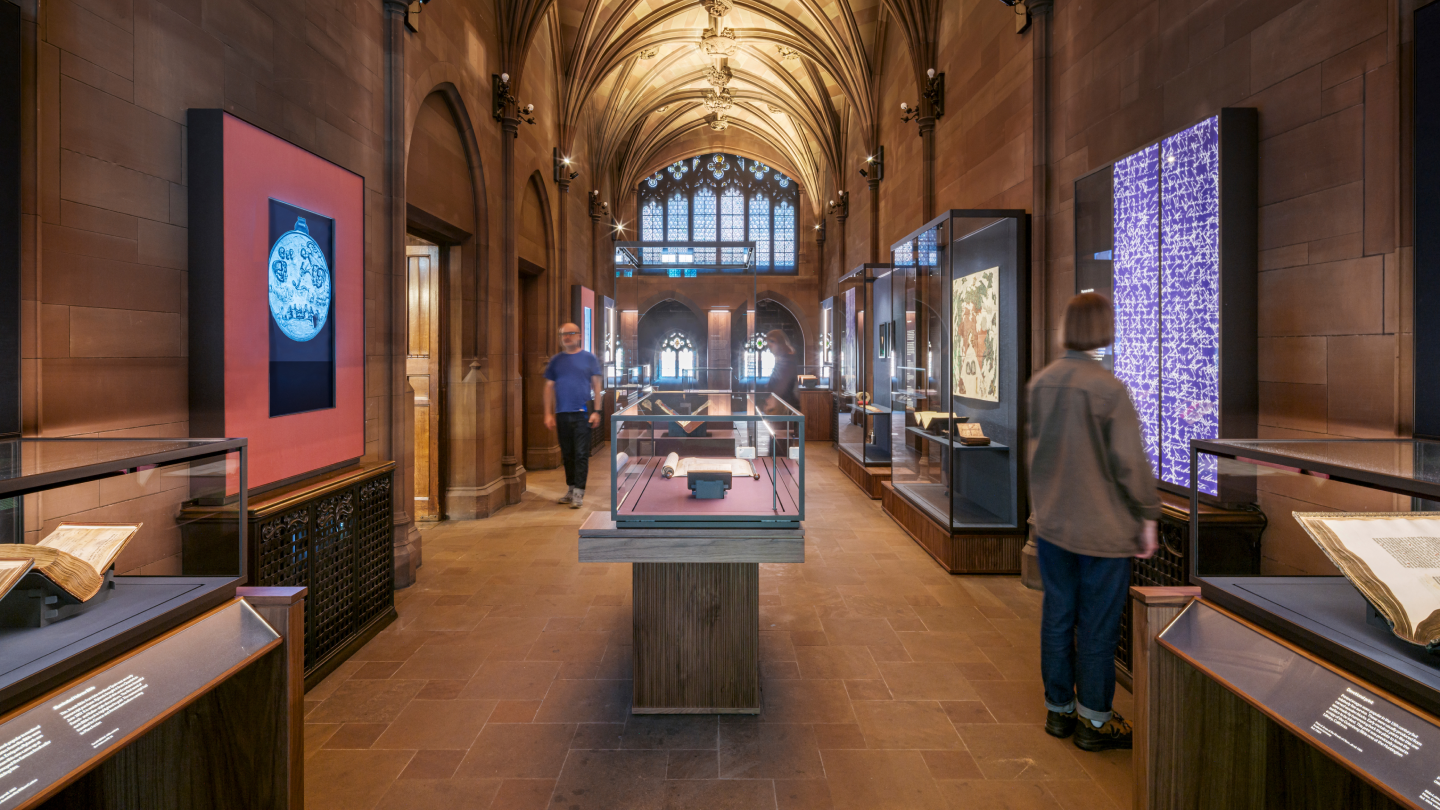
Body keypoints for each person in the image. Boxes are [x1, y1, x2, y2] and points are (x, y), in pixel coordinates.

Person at [1026, 292, 1159, 752]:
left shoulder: (1041, 383)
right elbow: (1129, 463)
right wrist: (1148, 515)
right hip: (1103, 531)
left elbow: (1036, 456)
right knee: (1098, 625)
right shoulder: (1108, 388)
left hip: (1053, 527)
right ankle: (1096, 722)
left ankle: (1058, 711)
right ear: (1104, 327)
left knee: (1057, 617)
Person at [544, 323, 603, 509]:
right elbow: (548, 387)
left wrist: (597, 411)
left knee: (581, 454)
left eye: (570, 333)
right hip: (562, 413)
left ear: (579, 336)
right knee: (567, 454)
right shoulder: (556, 360)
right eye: (563, 334)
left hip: (582, 414)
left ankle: (579, 492)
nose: (566, 337)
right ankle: (571, 488)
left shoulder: (589, 358)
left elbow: (597, 385)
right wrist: (547, 413)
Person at [764, 329, 798, 409]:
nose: (769, 349)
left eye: (771, 345)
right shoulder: (782, 359)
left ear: (778, 343)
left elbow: (783, 385)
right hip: (780, 404)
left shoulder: (788, 360)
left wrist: (773, 400)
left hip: (784, 405)